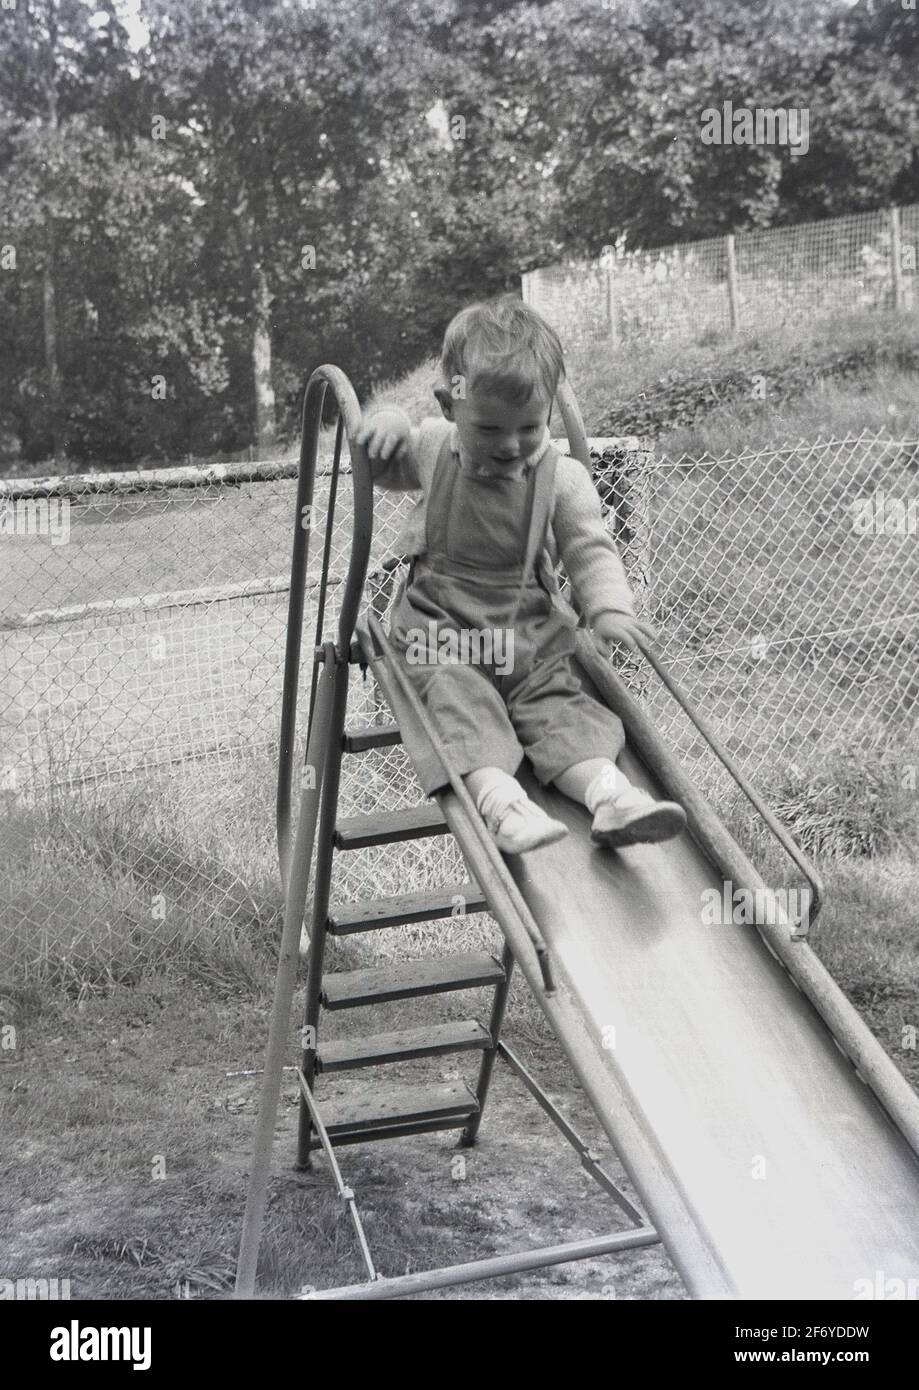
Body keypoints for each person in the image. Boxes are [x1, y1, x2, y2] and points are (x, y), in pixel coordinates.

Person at [356, 295, 686, 855]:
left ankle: (610, 796)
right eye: (489, 428)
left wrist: (607, 607)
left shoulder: (564, 479)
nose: (510, 445)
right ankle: (503, 806)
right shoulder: (435, 448)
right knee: (458, 700)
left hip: (526, 636)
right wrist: (383, 426)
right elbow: (383, 466)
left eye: (529, 428)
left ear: (548, 418)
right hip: (442, 634)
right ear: (448, 404)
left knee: (562, 705)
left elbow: (591, 548)